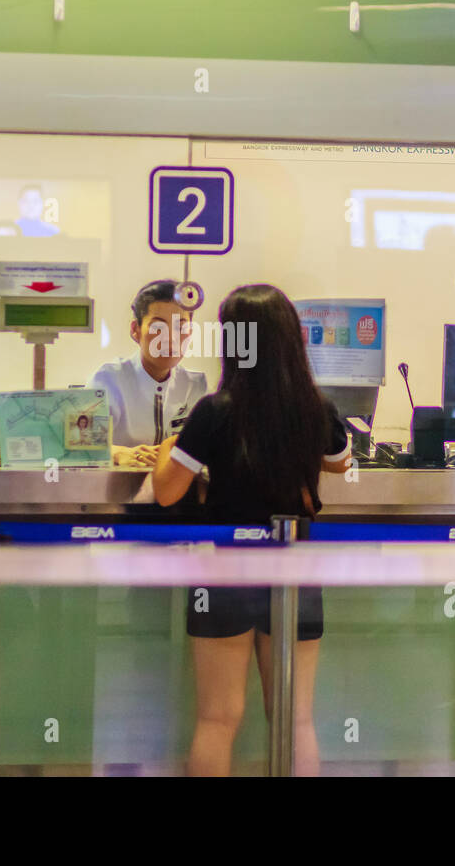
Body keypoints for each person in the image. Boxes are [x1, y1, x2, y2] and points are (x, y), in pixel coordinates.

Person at [152, 284, 351, 777]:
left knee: (218, 718)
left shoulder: (216, 411)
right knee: (295, 719)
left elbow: (167, 491)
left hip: (226, 569)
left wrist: (169, 447)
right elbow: (341, 462)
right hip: (296, 565)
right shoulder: (317, 408)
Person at [87, 280, 208, 467]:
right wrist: (118, 453)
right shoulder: (109, 379)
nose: (170, 338)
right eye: (158, 327)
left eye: (180, 327)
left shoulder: (195, 385)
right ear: (135, 330)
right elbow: (81, 443)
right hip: (118, 484)